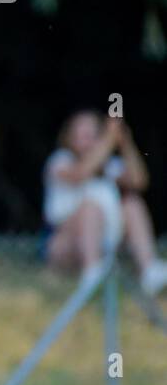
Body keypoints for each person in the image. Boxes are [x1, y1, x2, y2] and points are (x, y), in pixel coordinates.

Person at [43, 110, 167, 295]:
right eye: (82, 135)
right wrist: (109, 140)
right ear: (69, 138)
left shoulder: (109, 166)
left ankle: (148, 268)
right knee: (90, 207)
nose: (88, 141)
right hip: (64, 245)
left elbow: (139, 181)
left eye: (93, 135)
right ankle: (91, 272)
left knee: (132, 203)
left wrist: (125, 143)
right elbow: (80, 174)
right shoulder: (60, 161)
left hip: (107, 242)